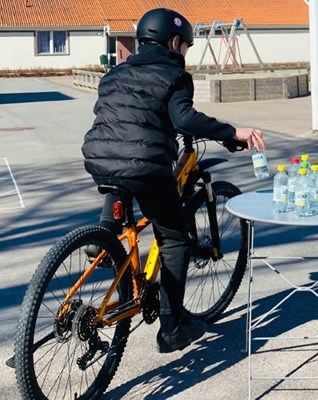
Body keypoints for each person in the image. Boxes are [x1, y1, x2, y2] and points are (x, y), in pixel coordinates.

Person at [81, 8, 266, 354]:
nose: (184, 55)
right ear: (175, 41)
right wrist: (232, 132)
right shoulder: (174, 74)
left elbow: (134, 116)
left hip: (98, 155)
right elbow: (183, 116)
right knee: (176, 237)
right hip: (145, 165)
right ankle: (172, 327)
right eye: (185, 48)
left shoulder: (116, 73)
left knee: (122, 168)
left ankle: (104, 238)